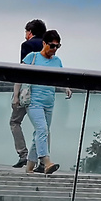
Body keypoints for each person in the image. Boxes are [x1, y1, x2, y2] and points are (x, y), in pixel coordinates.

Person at [20, 29, 70, 175]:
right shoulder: (32, 57)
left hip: (49, 102)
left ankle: (29, 166)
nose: (54, 49)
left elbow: (61, 77)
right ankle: (46, 161)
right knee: (42, 130)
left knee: (41, 132)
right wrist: (16, 96)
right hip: (34, 101)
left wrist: (66, 88)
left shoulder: (57, 61)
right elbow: (18, 74)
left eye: (57, 46)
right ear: (44, 43)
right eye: (52, 45)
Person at [10, 19, 47, 168]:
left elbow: (22, 70)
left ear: (30, 32)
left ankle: (23, 154)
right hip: (44, 91)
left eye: (26, 32)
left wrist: (16, 95)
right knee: (41, 126)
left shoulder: (27, 46)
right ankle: (41, 160)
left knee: (14, 122)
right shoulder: (47, 46)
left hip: (27, 92)